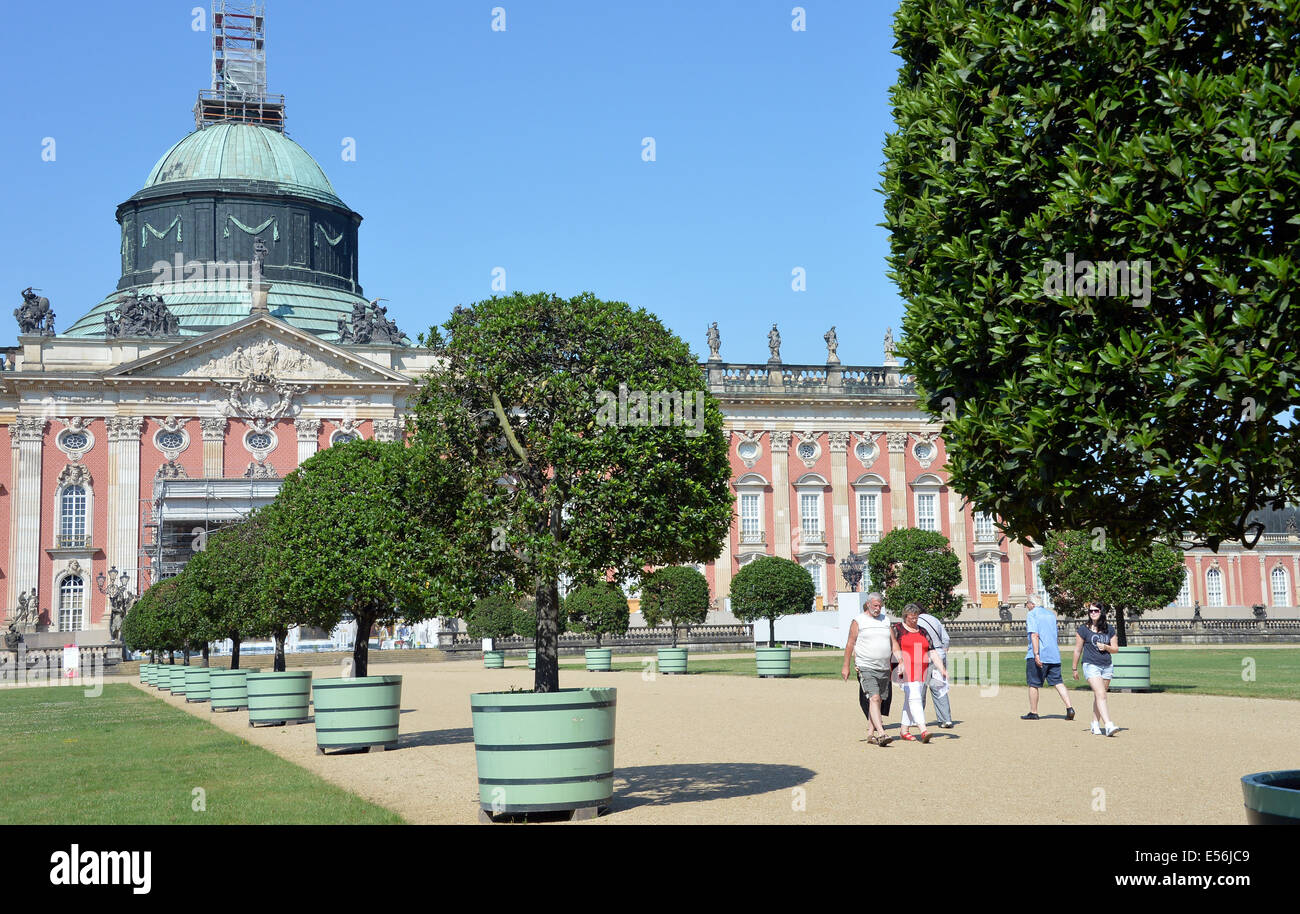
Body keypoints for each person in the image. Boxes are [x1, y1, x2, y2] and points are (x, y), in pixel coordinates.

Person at [841, 592, 900, 746]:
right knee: (874, 698)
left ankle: (870, 733)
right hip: (865, 666)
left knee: (879, 700)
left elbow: (894, 643)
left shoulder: (885, 620)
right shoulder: (858, 621)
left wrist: (901, 661)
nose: (878, 608)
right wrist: (846, 665)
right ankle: (881, 733)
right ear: (868, 604)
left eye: (880, 606)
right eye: (875, 605)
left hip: (884, 667)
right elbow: (850, 644)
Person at [893, 604, 947, 742]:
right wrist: (899, 662)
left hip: (921, 670)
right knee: (915, 698)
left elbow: (932, 651)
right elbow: (893, 648)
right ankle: (923, 730)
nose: (915, 621)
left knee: (910, 699)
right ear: (905, 617)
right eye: (912, 618)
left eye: (916, 618)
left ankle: (904, 730)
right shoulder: (898, 629)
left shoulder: (922, 631)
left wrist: (942, 669)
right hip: (904, 670)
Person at [1023, 598, 1075, 720]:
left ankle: (1033, 712)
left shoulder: (1032, 614)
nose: (1027, 606)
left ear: (1032, 604)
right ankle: (1069, 708)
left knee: (1033, 683)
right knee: (1058, 682)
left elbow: (1034, 634)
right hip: (1054, 654)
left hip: (1040, 654)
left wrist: (1036, 654)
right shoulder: (1051, 614)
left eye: (1027, 603)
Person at [1073, 603, 1120, 736]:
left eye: (1096, 610)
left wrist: (1106, 647)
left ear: (1101, 612)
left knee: (1100, 695)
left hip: (1106, 665)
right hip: (1090, 664)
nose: (1093, 613)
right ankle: (1109, 725)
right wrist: (1074, 668)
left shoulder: (1109, 629)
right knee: (1101, 694)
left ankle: (1094, 723)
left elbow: (1115, 649)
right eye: (1091, 611)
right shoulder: (1083, 629)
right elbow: (1077, 650)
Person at [916, 609, 954, 728]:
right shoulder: (934, 619)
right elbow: (946, 639)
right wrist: (943, 651)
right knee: (939, 687)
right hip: (939, 653)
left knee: (920, 688)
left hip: (923, 655)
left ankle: (916, 718)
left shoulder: (916, 622)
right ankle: (945, 719)